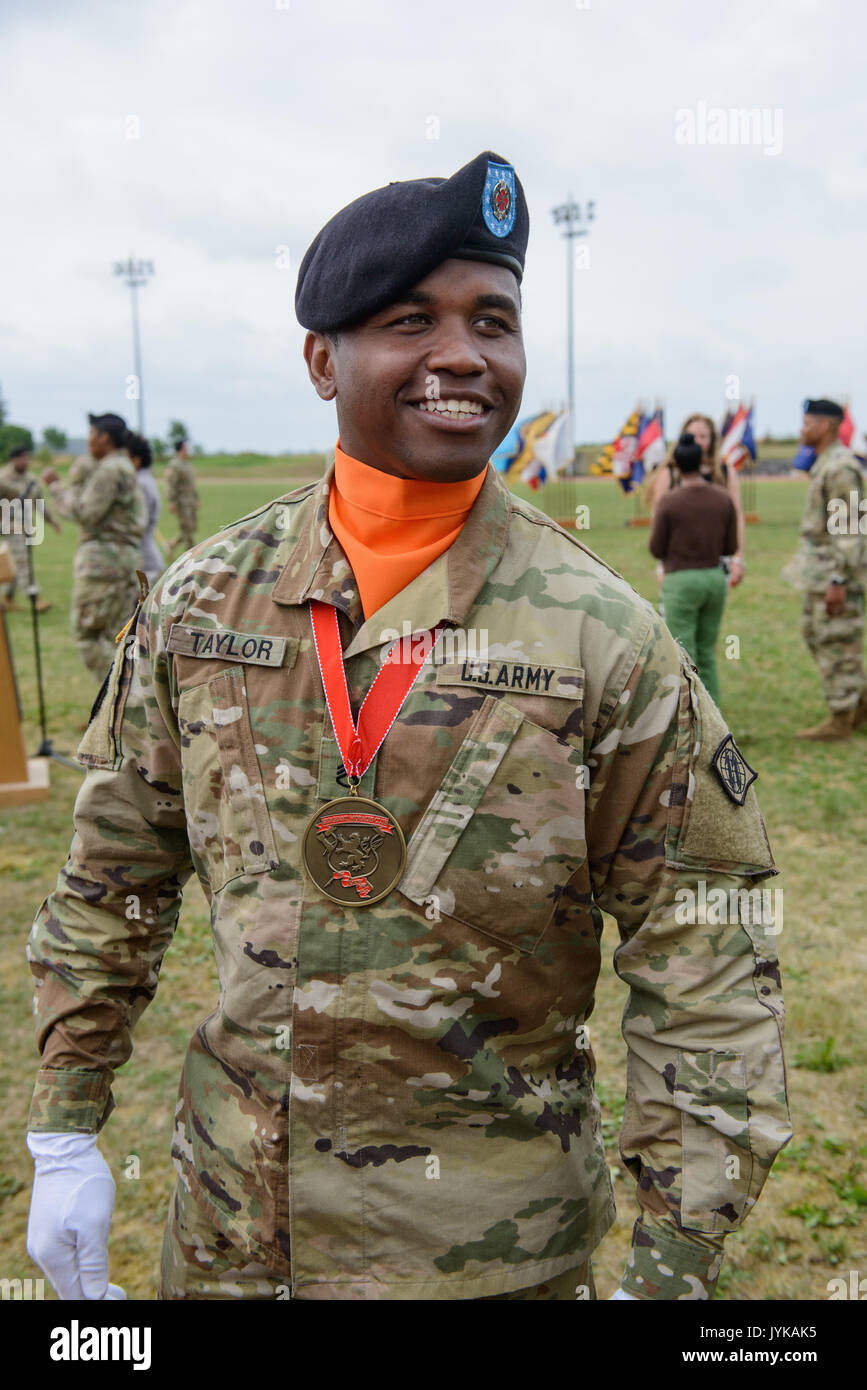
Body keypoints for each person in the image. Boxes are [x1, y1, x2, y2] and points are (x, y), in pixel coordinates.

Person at [25, 151, 791, 1304]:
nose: (462, 355)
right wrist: (67, 1124)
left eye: (494, 318)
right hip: (236, 1237)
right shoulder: (202, 602)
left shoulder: (603, 635)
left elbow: (707, 951)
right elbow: (111, 875)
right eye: (409, 320)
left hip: (490, 1260)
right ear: (322, 360)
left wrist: (672, 1262)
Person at [42, 413, 146, 682]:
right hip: (124, 561)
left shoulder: (110, 470)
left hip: (103, 564)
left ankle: (119, 700)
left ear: (105, 438)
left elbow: (86, 512)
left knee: (86, 636)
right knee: (117, 636)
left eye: (91, 435)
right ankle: (126, 710)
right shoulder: (123, 467)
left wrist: (56, 488)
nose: (88, 441)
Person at [788, 398, 867, 740]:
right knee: (816, 633)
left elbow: (849, 529)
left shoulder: (839, 468)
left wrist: (838, 580)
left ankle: (841, 717)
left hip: (836, 575)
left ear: (825, 426)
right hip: (819, 574)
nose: (802, 429)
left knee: (836, 640)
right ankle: (859, 702)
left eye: (807, 423)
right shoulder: (827, 464)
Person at [648, 433, 738, 706]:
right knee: (707, 653)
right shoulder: (723, 499)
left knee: (685, 655)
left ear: (675, 466)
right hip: (714, 579)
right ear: (703, 462)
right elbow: (731, 545)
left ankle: (691, 714)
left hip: (681, 580)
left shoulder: (670, 502)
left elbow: (655, 548)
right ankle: (714, 712)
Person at [648, 412, 746, 589]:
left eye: (703, 436)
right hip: (678, 563)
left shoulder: (724, 473)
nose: (698, 441)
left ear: (712, 440)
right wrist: (661, 565)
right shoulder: (669, 474)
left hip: (714, 562)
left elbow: (737, 515)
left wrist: (737, 558)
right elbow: (658, 520)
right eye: (693, 436)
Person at [0, 444, 61, 612]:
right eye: (22, 458)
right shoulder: (3, 478)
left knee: (15, 561)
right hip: (8, 526)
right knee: (22, 561)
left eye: (27, 457)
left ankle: (8, 598)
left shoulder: (30, 480)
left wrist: (52, 521)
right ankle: (35, 599)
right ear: (14, 459)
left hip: (23, 527)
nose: (26, 461)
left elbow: (38, 504)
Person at [126, 432, 165, 588]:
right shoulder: (145, 480)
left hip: (144, 566)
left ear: (136, 460)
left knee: (137, 611)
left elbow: (137, 527)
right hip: (146, 561)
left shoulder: (140, 485)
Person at [164, 437, 199, 558]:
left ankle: (171, 544)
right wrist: (172, 501)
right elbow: (171, 484)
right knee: (187, 529)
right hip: (181, 501)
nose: (187, 450)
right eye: (185, 448)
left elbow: (191, 484)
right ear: (180, 449)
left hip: (190, 500)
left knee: (191, 527)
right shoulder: (175, 465)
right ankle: (192, 555)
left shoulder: (187, 464)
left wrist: (196, 499)